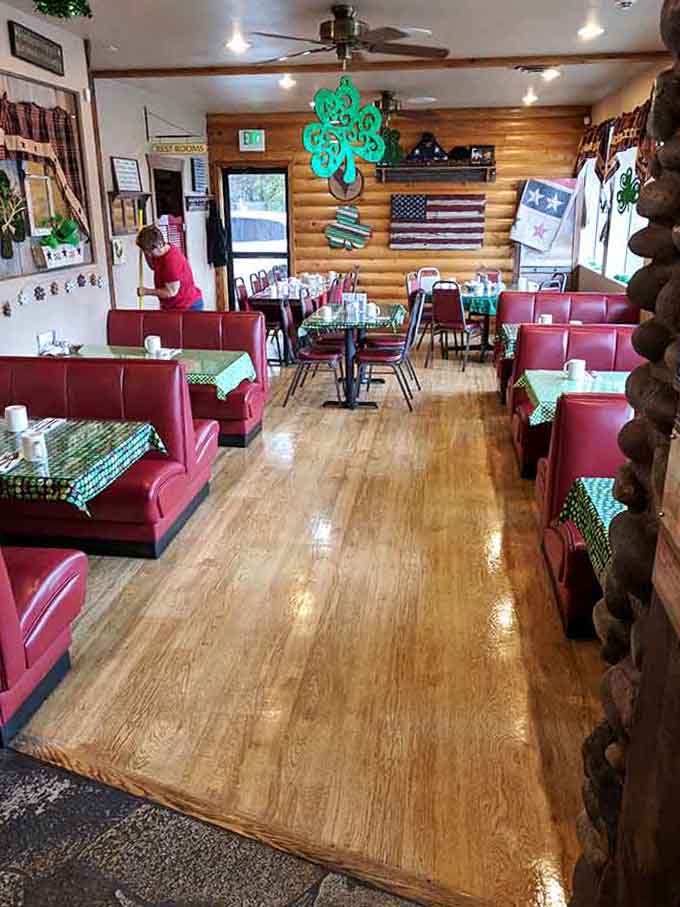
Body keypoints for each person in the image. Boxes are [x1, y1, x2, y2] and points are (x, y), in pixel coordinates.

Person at [136, 225, 204, 311]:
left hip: (188, 306)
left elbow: (171, 292)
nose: (148, 254)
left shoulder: (171, 261)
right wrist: (145, 252)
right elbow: (153, 266)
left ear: (158, 246)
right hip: (174, 305)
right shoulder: (160, 252)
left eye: (148, 252)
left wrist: (146, 291)